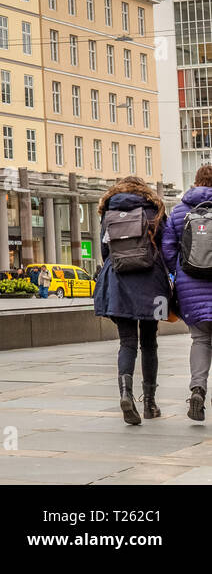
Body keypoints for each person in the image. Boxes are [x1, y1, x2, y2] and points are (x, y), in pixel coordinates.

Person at [93, 176, 171, 425]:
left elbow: (105, 253)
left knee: (127, 343)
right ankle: (150, 404)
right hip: (151, 283)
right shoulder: (154, 210)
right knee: (149, 343)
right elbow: (165, 248)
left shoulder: (108, 212)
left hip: (118, 282)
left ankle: (125, 393)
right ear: (143, 191)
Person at [161, 164, 212, 421]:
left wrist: (180, 273)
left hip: (190, 286)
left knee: (201, 340)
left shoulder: (180, 211)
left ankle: (198, 390)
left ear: (196, 182)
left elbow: (167, 250)